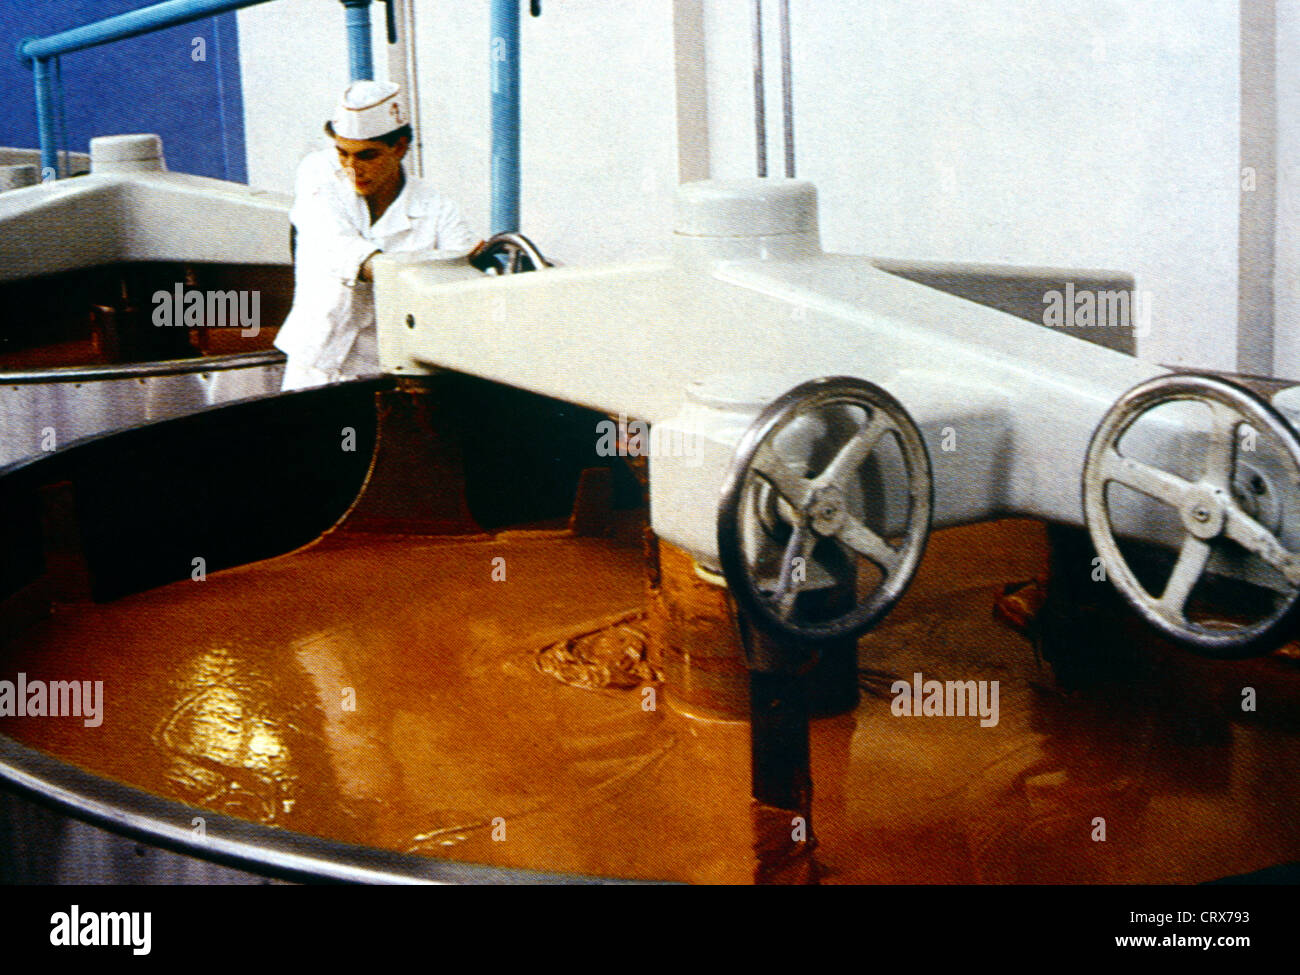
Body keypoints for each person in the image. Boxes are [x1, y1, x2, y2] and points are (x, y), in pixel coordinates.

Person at [275, 80, 481, 390]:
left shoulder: (437, 207)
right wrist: (435, 268)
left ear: (399, 148)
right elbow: (340, 247)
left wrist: (463, 270)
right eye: (343, 153)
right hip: (312, 361)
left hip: (378, 369)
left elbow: (463, 286)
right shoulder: (318, 173)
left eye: (367, 156)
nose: (352, 168)